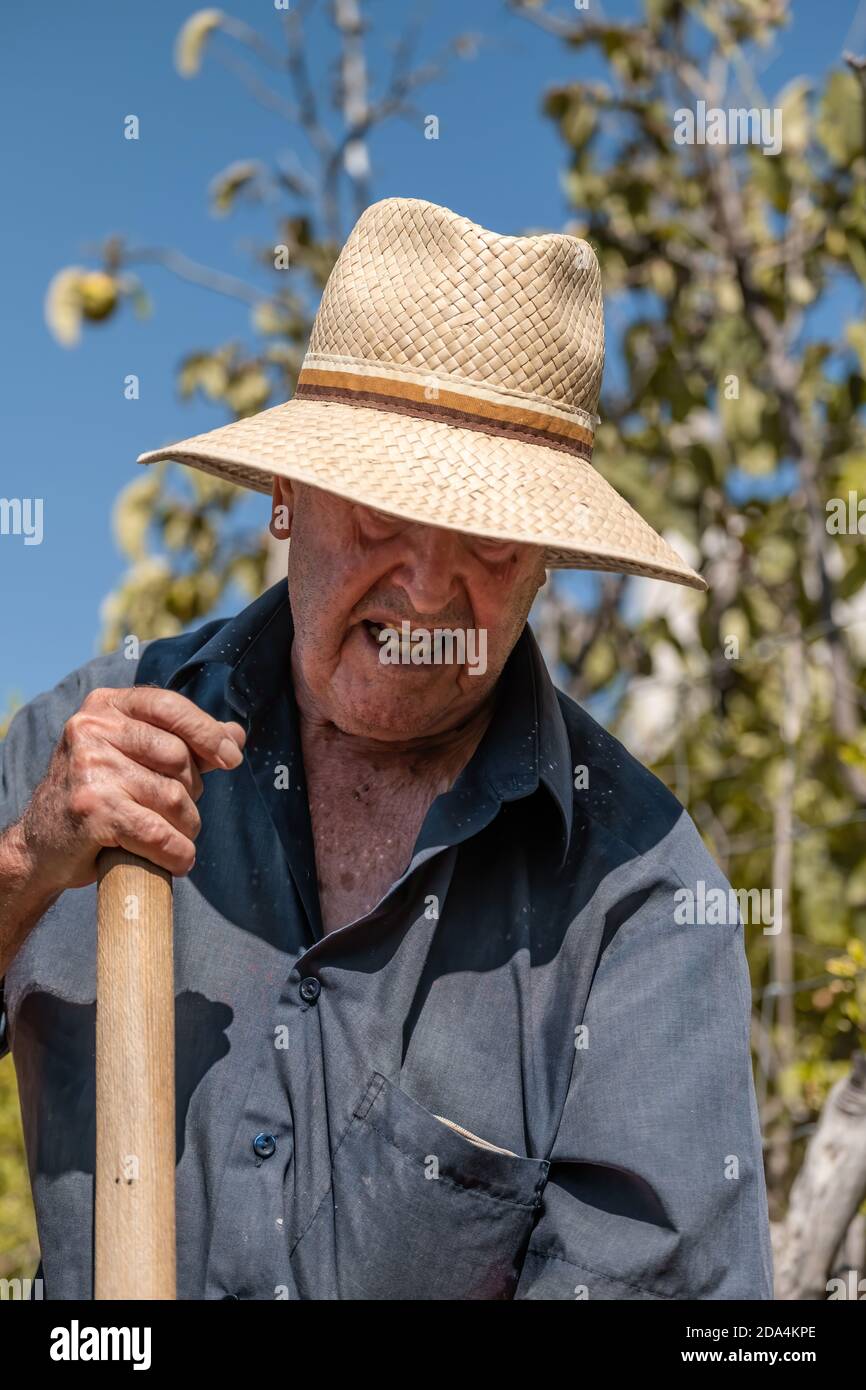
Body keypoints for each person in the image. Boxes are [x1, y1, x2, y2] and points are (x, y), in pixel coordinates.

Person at [0, 197, 773, 1300]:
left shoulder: (636, 896)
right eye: (376, 510)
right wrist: (25, 868)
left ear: (547, 557)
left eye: (489, 536)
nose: (423, 587)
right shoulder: (76, 747)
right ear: (286, 494)